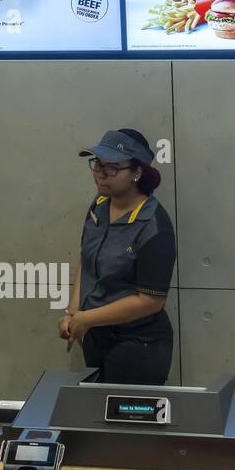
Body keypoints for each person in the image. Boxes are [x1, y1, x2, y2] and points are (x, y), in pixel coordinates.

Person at [59, 128, 177, 385]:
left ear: (136, 173)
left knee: (124, 422)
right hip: (95, 337)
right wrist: (73, 312)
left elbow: (150, 301)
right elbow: (87, 262)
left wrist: (86, 318)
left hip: (138, 345)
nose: (100, 174)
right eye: (97, 164)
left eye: (112, 168)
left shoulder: (155, 226)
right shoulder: (99, 205)